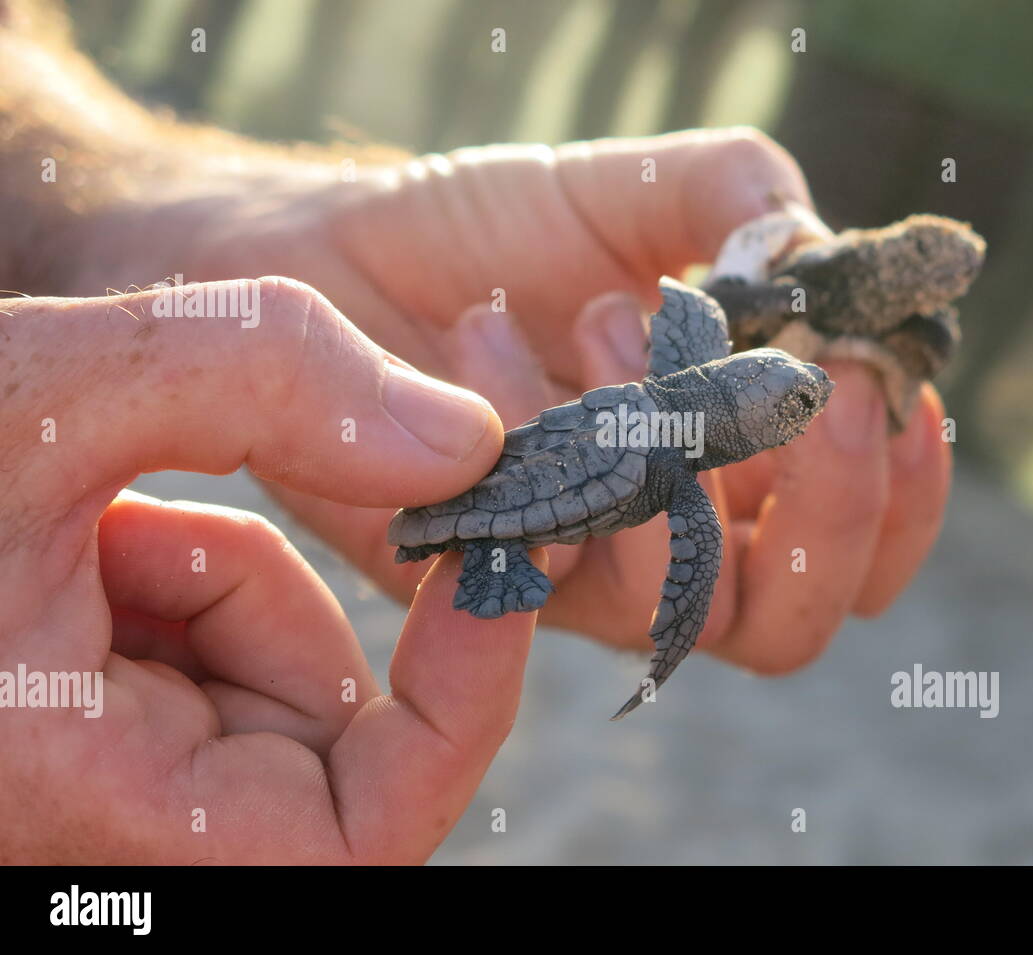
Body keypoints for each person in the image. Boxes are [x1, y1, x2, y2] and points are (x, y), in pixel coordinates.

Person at [0, 1, 950, 863]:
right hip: (511, 494)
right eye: (790, 406)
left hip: (531, 463)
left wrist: (159, 222)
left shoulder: (682, 397)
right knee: (547, 554)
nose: (802, 406)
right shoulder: (683, 477)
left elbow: (691, 331)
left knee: (551, 544)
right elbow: (688, 560)